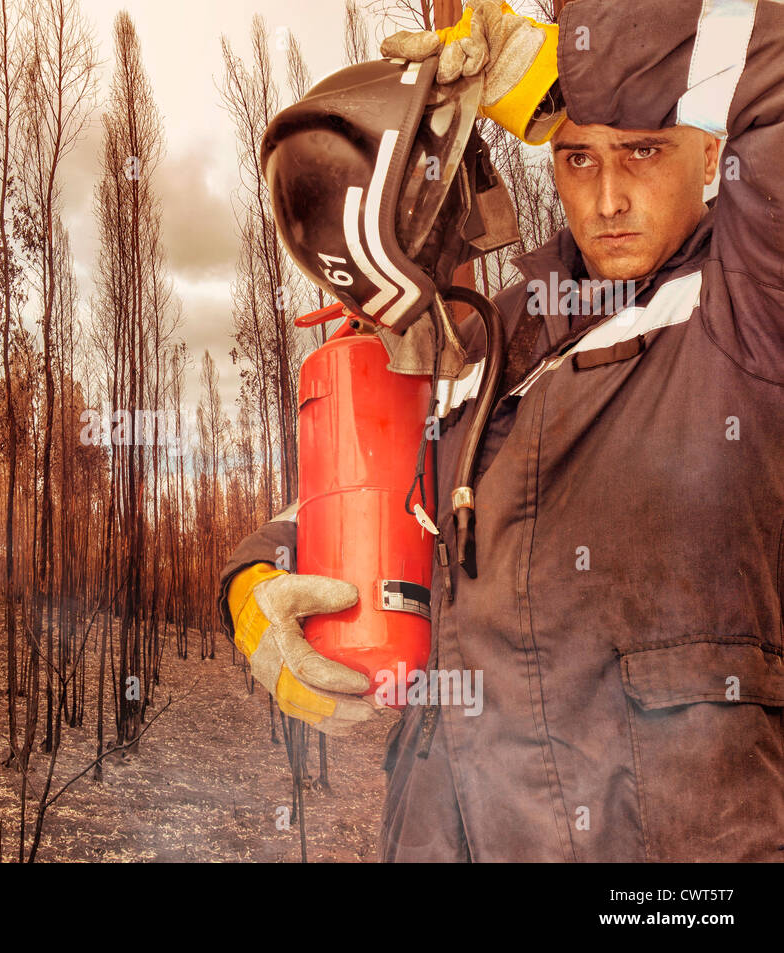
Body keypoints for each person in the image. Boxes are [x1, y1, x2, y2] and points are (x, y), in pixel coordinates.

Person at [219, 0, 784, 861]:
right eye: (576, 157)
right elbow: (392, 485)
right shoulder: (498, 329)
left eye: (643, 149)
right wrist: (258, 578)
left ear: (711, 149)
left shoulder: (751, 296)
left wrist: (579, 73)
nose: (608, 197)